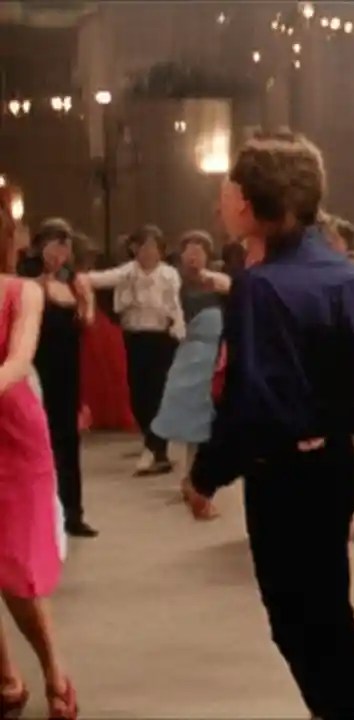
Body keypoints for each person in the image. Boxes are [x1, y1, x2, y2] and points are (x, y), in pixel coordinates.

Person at [183, 129, 354, 720]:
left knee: (302, 624)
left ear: (250, 204)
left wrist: (206, 473)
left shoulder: (262, 287)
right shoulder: (345, 275)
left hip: (286, 476)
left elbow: (249, 400)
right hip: (335, 469)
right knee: (327, 616)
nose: (220, 199)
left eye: (228, 187)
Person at [0, 186, 78, 719]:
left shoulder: (22, 290)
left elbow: (19, 358)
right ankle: (6, 677)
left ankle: (53, 670)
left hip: (13, 430)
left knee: (19, 570)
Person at [82, 225, 184, 475]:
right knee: (138, 394)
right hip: (135, 337)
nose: (149, 252)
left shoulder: (169, 274)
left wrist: (180, 330)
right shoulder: (128, 272)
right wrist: (76, 276)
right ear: (134, 248)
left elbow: (176, 305)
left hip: (162, 338)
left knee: (158, 391)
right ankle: (154, 446)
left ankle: (154, 448)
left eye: (154, 247)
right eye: (144, 246)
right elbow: (99, 279)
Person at [21, 219, 98, 539]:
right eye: (54, 244)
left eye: (64, 245)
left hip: (68, 371)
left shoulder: (75, 283)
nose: (59, 251)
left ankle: (73, 512)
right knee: (38, 441)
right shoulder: (27, 280)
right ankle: (38, 514)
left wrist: (85, 300)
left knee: (68, 441)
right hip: (36, 369)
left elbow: (87, 324)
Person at [151, 231, 228, 519]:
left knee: (208, 420)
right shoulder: (174, 280)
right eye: (189, 248)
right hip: (188, 352)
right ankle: (188, 479)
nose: (194, 254)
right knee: (186, 418)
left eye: (200, 249)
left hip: (215, 354)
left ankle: (198, 483)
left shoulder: (219, 279)